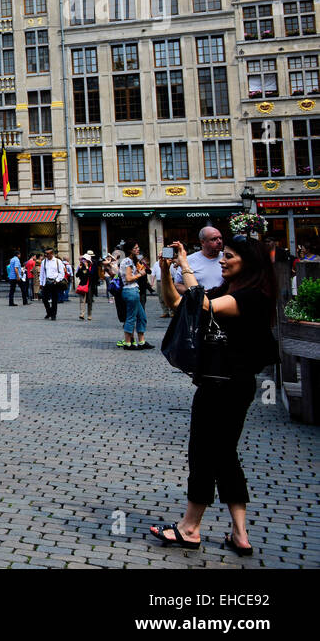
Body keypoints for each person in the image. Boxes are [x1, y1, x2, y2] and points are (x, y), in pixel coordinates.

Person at [150, 238, 280, 556]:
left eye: (229, 257)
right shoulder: (229, 291)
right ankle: (240, 533)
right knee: (224, 456)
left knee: (204, 453)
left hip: (225, 385)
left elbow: (200, 304)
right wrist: (168, 273)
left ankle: (189, 528)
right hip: (222, 382)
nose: (222, 261)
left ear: (248, 263)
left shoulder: (253, 297)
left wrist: (185, 264)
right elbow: (178, 304)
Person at [117, 242, 150, 349]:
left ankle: (141, 342)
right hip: (130, 291)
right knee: (131, 317)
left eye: (137, 247)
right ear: (130, 250)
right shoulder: (127, 261)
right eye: (135, 248)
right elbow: (128, 278)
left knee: (142, 316)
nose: (138, 249)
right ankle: (128, 343)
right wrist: (140, 274)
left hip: (134, 291)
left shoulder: (131, 261)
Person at [180, 226, 225, 292]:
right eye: (214, 239)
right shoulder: (188, 261)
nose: (219, 241)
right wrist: (199, 294)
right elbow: (178, 284)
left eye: (220, 238)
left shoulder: (228, 258)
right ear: (202, 242)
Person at [38, 247, 66, 321]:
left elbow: (62, 273)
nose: (46, 255)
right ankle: (49, 311)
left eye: (48, 254)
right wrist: (41, 283)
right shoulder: (44, 262)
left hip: (55, 282)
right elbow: (42, 273)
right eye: (45, 253)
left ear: (52, 253)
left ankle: (53, 315)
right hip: (46, 282)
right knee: (44, 298)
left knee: (54, 299)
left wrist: (57, 280)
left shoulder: (58, 261)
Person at [76, 252, 96, 321]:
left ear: (88, 261)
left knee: (89, 300)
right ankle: (82, 314)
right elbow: (77, 275)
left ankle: (89, 314)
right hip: (83, 284)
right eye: (83, 259)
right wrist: (80, 268)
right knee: (82, 300)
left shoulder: (92, 267)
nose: (83, 261)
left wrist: (87, 268)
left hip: (90, 285)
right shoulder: (81, 266)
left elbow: (91, 275)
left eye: (85, 260)